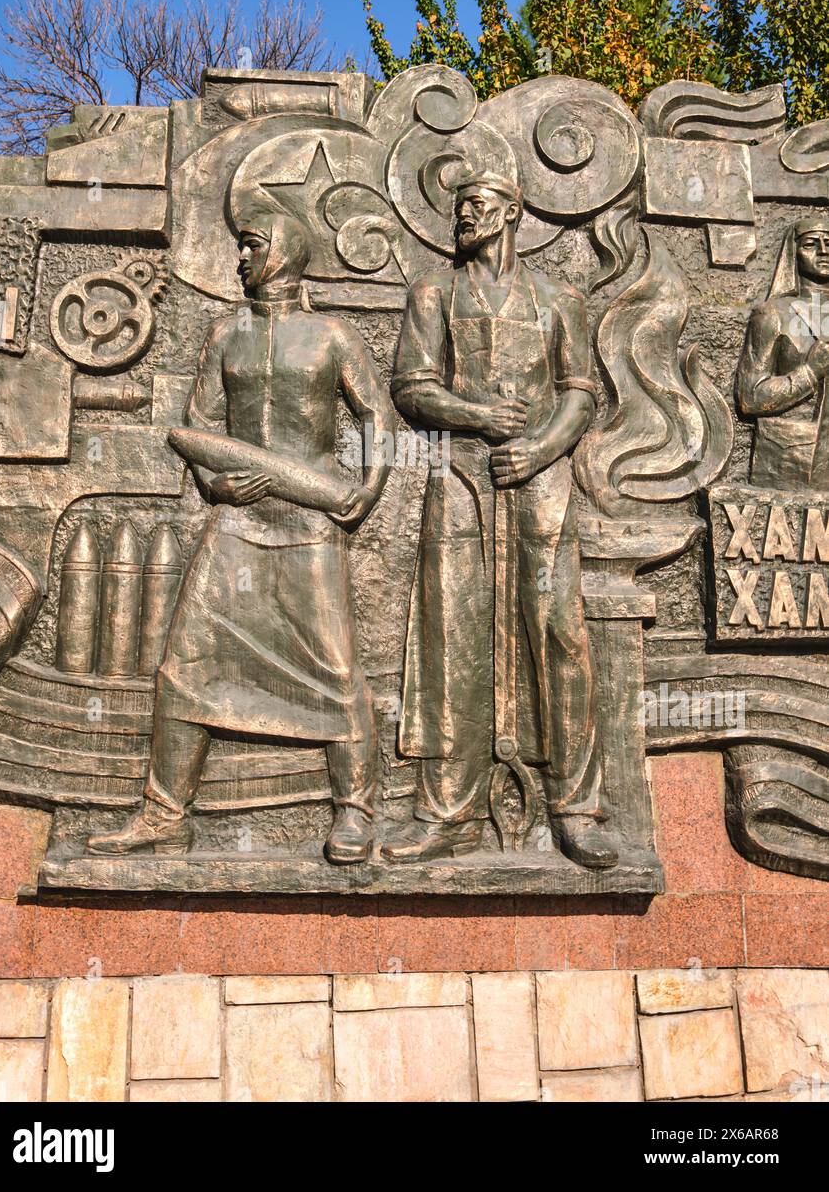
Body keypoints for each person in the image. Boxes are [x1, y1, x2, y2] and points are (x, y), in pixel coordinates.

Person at [88, 200, 394, 864]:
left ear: (285, 248)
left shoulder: (333, 336)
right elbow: (200, 430)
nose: (242, 257)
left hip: (309, 523)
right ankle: (165, 813)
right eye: (241, 247)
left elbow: (380, 418)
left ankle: (355, 812)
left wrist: (364, 492)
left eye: (253, 245)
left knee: (334, 666)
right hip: (234, 523)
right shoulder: (225, 336)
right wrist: (222, 486)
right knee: (188, 661)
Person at [382, 170, 619, 867]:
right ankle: (447, 811)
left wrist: (541, 447)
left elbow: (580, 392)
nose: (466, 216)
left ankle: (576, 807)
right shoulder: (433, 292)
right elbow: (410, 387)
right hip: (459, 480)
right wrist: (478, 417)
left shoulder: (558, 299)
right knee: (452, 633)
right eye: (459, 208)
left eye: (478, 205)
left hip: (542, 485)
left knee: (559, 632)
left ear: (512, 210)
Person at [737, 217, 829, 488]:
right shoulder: (772, 314)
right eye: (812, 244)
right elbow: (750, 396)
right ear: (793, 253)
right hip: (792, 459)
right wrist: (810, 372)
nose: (824, 251)